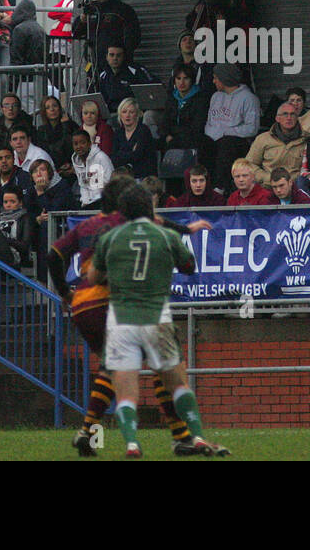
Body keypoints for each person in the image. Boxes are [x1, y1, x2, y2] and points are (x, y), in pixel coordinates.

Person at [89, 183, 224, 457]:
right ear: (150, 208)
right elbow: (189, 266)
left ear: (122, 211)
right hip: (157, 319)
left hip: (121, 322)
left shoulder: (110, 237)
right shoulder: (165, 235)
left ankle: (131, 443)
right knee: (178, 383)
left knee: (126, 392)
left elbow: (93, 277)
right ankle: (197, 436)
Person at [202, 64, 260, 194]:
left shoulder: (248, 98)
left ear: (225, 79)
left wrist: (226, 132)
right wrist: (213, 136)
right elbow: (209, 123)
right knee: (202, 143)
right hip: (215, 139)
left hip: (238, 143)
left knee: (226, 144)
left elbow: (252, 128)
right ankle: (203, 187)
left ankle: (219, 188)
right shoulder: (215, 97)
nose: (214, 81)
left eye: (216, 78)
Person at [73, 0, 141, 65]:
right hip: (94, 61)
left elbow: (134, 36)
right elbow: (76, 34)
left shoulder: (122, 10)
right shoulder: (90, 10)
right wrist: (82, 21)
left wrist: (123, 54)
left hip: (116, 61)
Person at [159, 65, 209, 178]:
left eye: (186, 78)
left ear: (192, 80)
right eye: (178, 78)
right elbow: (165, 121)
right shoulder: (171, 98)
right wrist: (166, 135)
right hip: (172, 138)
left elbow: (197, 126)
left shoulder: (200, 99)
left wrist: (173, 137)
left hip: (191, 139)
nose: (182, 82)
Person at [244, 101, 306, 186]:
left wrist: (292, 180)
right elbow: (249, 164)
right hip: (267, 187)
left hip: (295, 187)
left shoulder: (307, 139)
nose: (289, 118)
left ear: (297, 118)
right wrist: (267, 178)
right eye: (285, 114)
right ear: (277, 118)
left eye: (293, 114)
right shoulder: (263, 139)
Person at [93, 45, 156, 114]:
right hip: (113, 114)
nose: (115, 58)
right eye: (111, 55)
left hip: (134, 113)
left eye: (118, 55)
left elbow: (154, 89)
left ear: (123, 57)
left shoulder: (136, 71)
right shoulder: (103, 76)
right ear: (106, 57)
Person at [110, 98, 158, 179]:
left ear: (137, 114)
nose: (127, 115)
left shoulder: (143, 130)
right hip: (124, 176)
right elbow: (114, 159)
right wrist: (131, 152)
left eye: (131, 112)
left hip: (143, 176)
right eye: (124, 112)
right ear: (120, 114)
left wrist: (122, 153)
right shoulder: (118, 133)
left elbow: (138, 155)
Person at [0, 186, 37, 275]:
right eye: (5, 202)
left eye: (12, 202)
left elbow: (25, 246)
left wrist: (5, 241)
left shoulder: (25, 219)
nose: (8, 205)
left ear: (20, 203)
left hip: (18, 259)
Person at [68, 128, 114, 210]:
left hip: (104, 201)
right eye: (75, 144)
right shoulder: (76, 161)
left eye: (82, 143)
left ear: (89, 143)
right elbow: (83, 185)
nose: (79, 147)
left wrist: (94, 201)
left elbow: (110, 183)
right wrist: (85, 202)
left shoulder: (101, 157)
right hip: (88, 204)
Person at [34, 96, 78, 171]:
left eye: (55, 106)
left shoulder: (70, 125)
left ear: (59, 108)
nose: (52, 109)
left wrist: (65, 126)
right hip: (52, 168)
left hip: (72, 167)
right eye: (48, 107)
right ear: (44, 112)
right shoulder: (42, 131)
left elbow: (72, 147)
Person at [0, 145, 31, 209]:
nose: (4, 161)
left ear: (14, 159)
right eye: (0, 158)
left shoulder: (25, 178)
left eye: (7, 157)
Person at [169, 31, 214, 95]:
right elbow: (171, 89)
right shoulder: (175, 67)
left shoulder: (204, 65)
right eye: (184, 40)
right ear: (179, 45)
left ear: (196, 45)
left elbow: (208, 88)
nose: (188, 42)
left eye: (191, 40)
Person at [9, 0, 47, 71]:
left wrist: (12, 80)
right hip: (38, 74)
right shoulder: (41, 29)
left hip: (23, 74)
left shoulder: (19, 29)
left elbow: (16, 57)